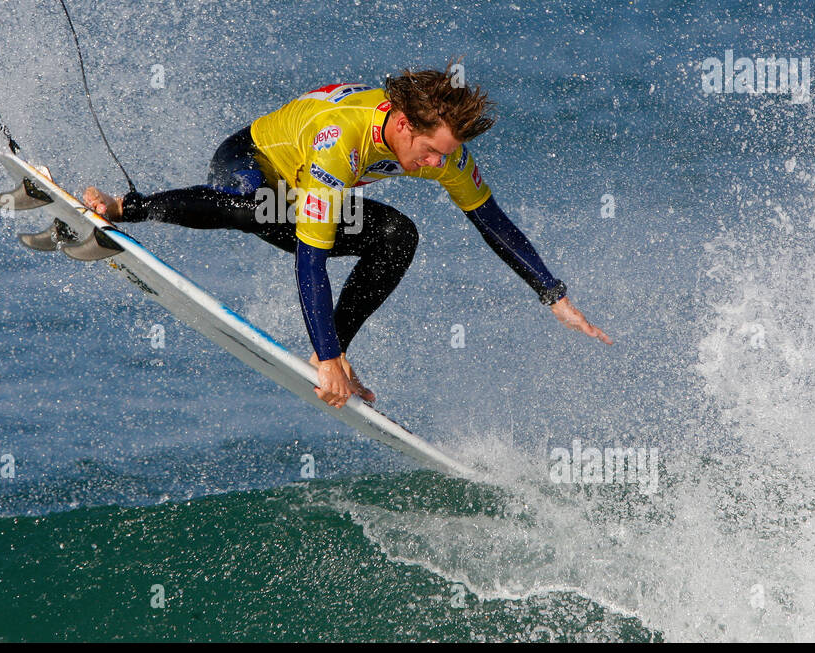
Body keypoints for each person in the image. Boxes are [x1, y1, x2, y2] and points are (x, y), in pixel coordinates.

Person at [83, 63, 611, 409]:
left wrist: (552, 293)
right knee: (255, 201)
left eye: (445, 155)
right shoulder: (344, 141)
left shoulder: (441, 152)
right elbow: (310, 259)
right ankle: (125, 207)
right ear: (403, 126)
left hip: (298, 195)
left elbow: (491, 219)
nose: (435, 164)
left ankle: (332, 349)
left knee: (398, 236)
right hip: (249, 164)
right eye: (429, 152)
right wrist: (328, 355)